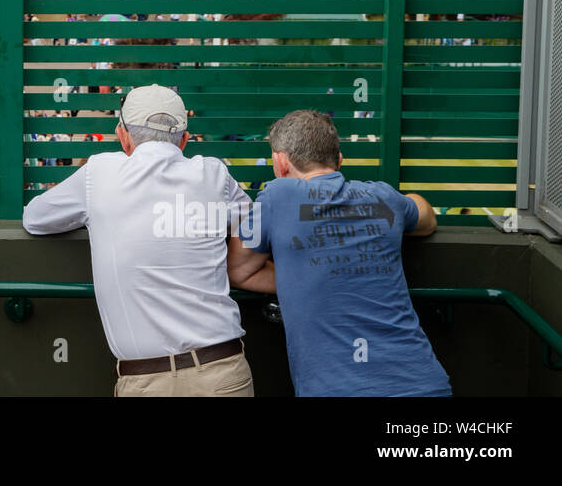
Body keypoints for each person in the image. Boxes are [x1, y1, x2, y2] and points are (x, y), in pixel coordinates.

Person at [23, 84, 274, 396]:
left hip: (145, 380)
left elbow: (34, 218)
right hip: (221, 371)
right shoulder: (214, 174)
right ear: (183, 140)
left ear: (123, 137)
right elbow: (258, 228)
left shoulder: (99, 172)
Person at [246, 110, 449, 397]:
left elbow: (240, 269)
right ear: (339, 160)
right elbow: (426, 217)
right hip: (423, 383)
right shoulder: (383, 197)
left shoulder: (278, 195)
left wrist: (310, 273)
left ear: (280, 163)